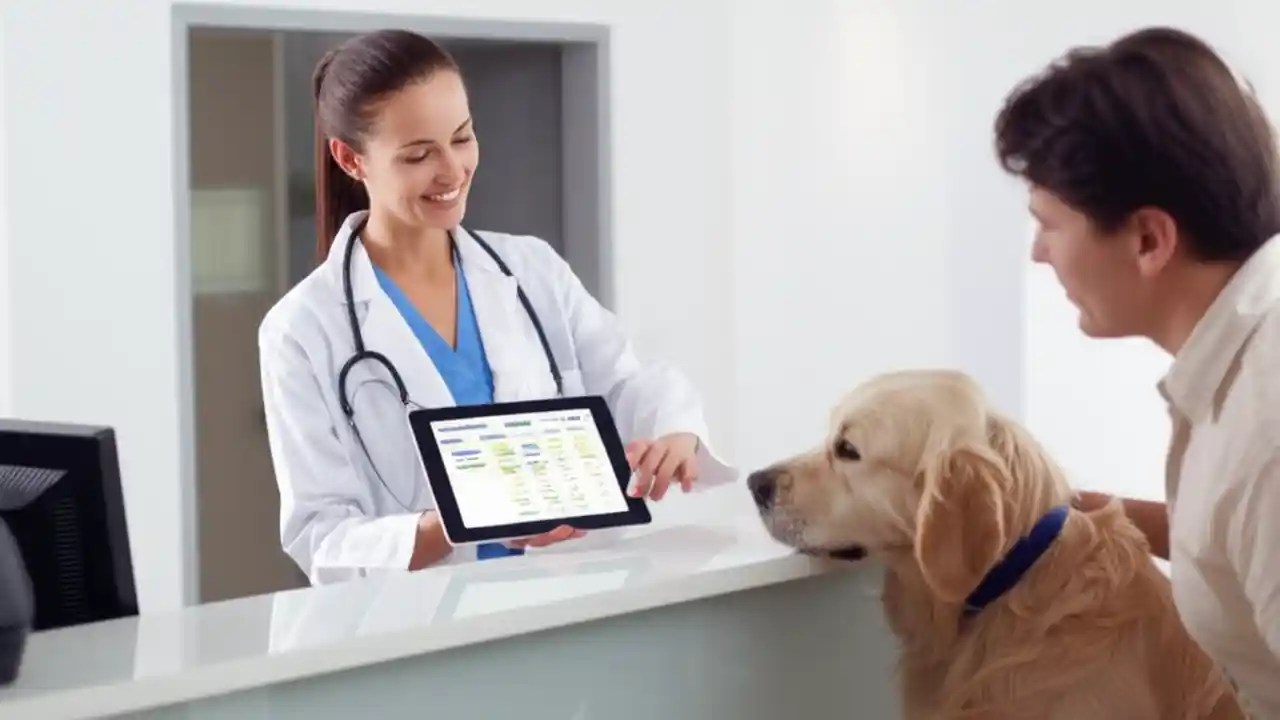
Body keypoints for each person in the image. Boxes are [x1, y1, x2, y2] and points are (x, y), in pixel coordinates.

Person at [259, 29, 733, 585]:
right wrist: (465, 522)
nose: (452, 171)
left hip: (567, 601)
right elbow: (322, 535)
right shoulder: (304, 328)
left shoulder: (531, 270)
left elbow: (626, 385)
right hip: (419, 631)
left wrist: (673, 432)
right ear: (350, 159)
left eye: (462, 138)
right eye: (418, 155)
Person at [993, 27, 1280, 717]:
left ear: (1149, 239)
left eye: (1050, 224)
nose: (1038, 253)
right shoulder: (1239, 366)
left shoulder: (1268, 419)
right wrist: (1077, 514)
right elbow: (1229, 539)